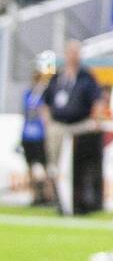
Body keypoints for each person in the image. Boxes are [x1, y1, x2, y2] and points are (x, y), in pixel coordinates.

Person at [41, 39, 103, 216]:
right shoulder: (57, 76)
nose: (72, 56)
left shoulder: (86, 76)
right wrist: (47, 120)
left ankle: (81, 199)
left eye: (75, 52)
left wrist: (96, 120)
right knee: (54, 162)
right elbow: (45, 101)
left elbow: (97, 99)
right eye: (69, 52)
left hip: (79, 125)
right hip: (59, 124)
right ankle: (55, 197)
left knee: (81, 163)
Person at [21, 52, 55, 206]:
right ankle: (35, 195)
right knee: (30, 166)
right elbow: (26, 114)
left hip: (41, 135)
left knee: (46, 166)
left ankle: (49, 195)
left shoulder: (46, 93)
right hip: (28, 135)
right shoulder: (28, 93)